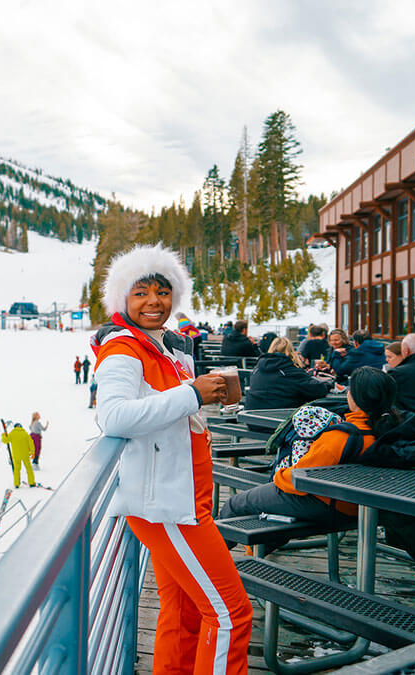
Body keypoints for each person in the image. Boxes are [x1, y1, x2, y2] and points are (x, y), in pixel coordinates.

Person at [92, 243, 251, 672]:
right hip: (167, 506)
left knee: (183, 613)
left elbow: (172, 410)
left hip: (183, 499)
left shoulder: (164, 347)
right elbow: (113, 417)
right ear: (122, 298)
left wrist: (203, 397)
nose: (153, 301)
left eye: (162, 292)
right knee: (231, 615)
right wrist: (191, 394)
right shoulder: (123, 350)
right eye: (141, 292)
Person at [220, 367, 398, 539]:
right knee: (267, 505)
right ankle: (254, 550)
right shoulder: (391, 432)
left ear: (356, 399)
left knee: (235, 504)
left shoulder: (340, 436)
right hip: (362, 506)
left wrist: (279, 476)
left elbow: (300, 477)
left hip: (328, 505)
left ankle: (213, 556)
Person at [243, 337, 333, 410]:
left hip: (252, 418)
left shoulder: (257, 369)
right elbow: (318, 390)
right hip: (279, 419)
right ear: (291, 351)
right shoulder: (288, 369)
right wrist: (329, 384)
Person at [0, 422, 42, 488]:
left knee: (17, 470)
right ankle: (31, 483)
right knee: (29, 469)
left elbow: (5, 440)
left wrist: (4, 435)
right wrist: (32, 452)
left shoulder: (12, 433)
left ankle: (16, 484)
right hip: (25, 455)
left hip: (16, 455)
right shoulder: (25, 433)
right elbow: (31, 443)